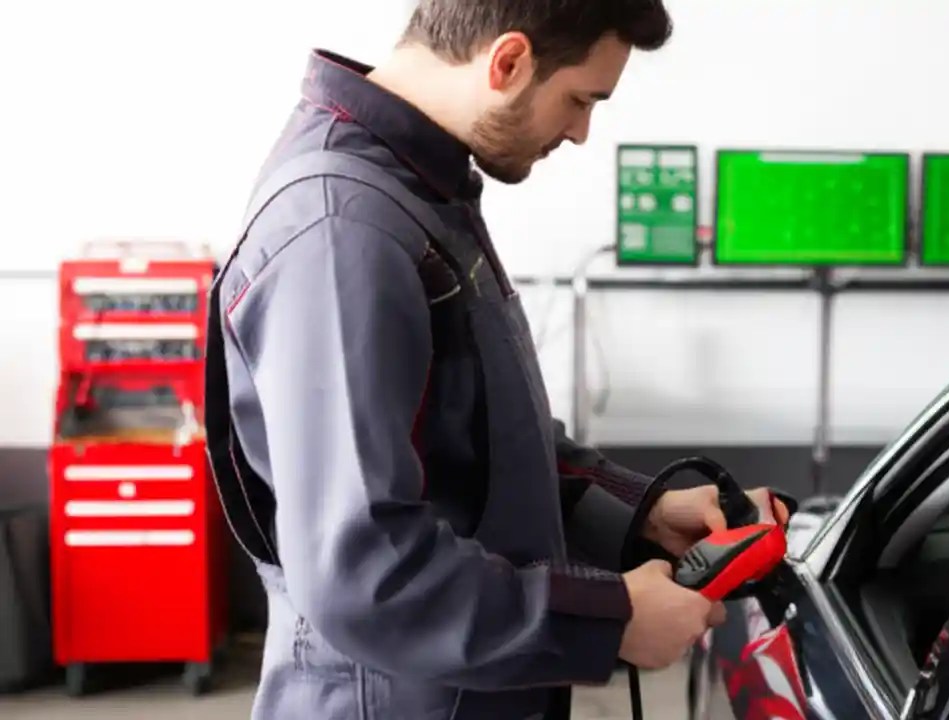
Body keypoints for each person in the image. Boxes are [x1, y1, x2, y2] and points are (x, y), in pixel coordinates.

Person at [201, 2, 791, 719]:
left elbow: (482, 439)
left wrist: (642, 514)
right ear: (508, 62)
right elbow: (366, 570)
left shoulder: (417, 193)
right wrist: (609, 620)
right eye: (581, 100)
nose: (580, 132)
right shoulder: (342, 229)